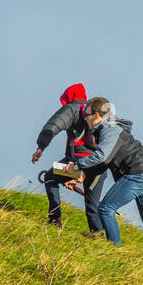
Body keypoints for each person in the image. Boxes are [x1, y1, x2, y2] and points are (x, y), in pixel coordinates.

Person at [62, 96, 143, 266]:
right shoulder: (110, 130)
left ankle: (115, 255)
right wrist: (79, 176)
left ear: (98, 115)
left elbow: (101, 156)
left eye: (87, 113)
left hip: (137, 176)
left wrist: (76, 166)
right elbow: (104, 162)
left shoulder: (109, 129)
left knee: (106, 209)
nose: (85, 117)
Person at [30, 83, 106, 231]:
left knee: (50, 177)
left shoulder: (72, 109)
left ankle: (54, 220)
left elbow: (53, 125)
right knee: (92, 206)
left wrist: (41, 146)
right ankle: (100, 237)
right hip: (99, 165)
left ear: (68, 97)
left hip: (77, 163)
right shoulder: (96, 112)